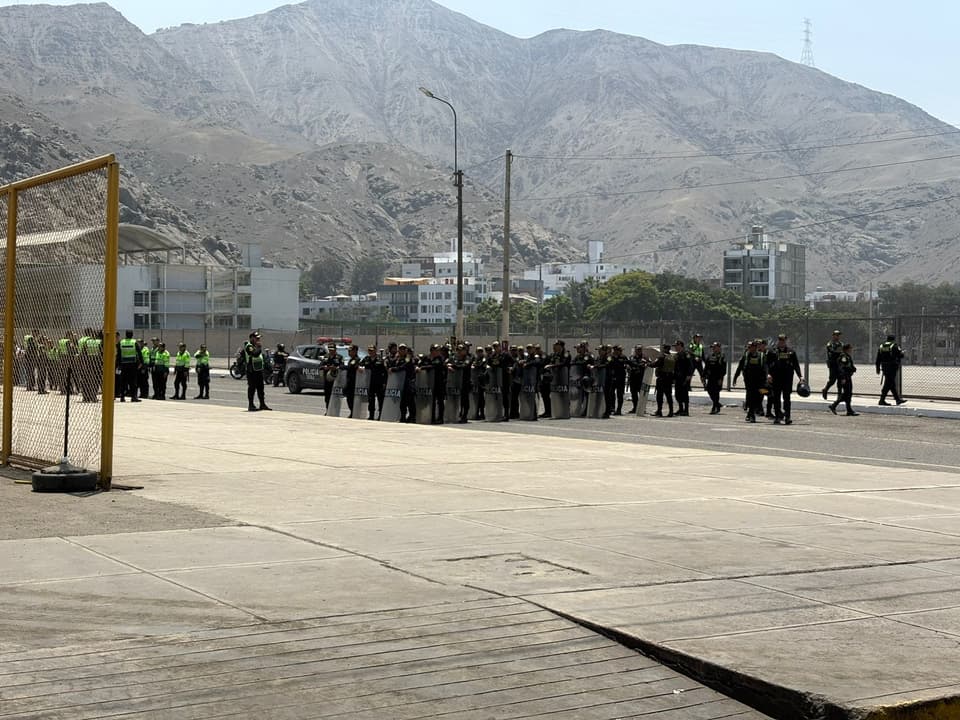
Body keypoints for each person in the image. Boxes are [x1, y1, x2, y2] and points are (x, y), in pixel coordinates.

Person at [766, 333, 803, 425]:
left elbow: (796, 365)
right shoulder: (772, 352)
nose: (782, 342)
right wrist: (768, 374)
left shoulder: (791, 352)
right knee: (776, 398)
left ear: (786, 341)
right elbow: (766, 364)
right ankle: (778, 416)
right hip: (776, 378)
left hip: (787, 378)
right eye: (780, 340)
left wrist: (800, 376)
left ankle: (787, 416)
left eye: (783, 340)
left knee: (787, 398)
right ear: (778, 340)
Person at [733, 339, 765, 422]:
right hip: (749, 381)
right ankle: (751, 414)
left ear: (755, 347)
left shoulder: (761, 356)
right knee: (751, 397)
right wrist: (735, 377)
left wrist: (767, 377)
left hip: (759, 381)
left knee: (759, 396)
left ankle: (751, 413)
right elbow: (740, 367)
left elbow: (765, 367)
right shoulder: (746, 356)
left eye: (751, 347)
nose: (749, 348)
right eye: (749, 347)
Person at [244, 331, 271, 411]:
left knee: (260, 388)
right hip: (252, 370)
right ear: (252, 338)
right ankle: (251, 405)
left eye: (259, 338)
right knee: (252, 387)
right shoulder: (249, 346)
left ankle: (262, 404)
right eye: (257, 338)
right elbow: (255, 354)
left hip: (258, 369)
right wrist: (259, 347)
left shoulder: (256, 345)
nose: (258, 339)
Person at [876, 334, 907, 406]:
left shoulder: (882, 346)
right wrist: (902, 353)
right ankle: (882, 400)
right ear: (893, 339)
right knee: (888, 384)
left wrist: (877, 368)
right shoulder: (894, 346)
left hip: (884, 367)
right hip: (892, 367)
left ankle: (897, 400)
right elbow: (900, 355)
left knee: (891, 383)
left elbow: (878, 358)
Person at [830, 343, 859, 416]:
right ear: (847, 349)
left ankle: (848, 410)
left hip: (847, 377)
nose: (851, 350)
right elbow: (841, 368)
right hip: (844, 377)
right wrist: (843, 378)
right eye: (850, 348)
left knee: (848, 394)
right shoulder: (844, 357)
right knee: (847, 394)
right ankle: (834, 405)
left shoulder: (847, 356)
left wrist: (853, 368)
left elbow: (849, 366)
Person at [362, 345, 388, 420]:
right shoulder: (366, 359)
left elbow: (384, 371)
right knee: (371, 400)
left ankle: (380, 415)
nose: (371, 352)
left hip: (379, 382)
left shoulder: (380, 359)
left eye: (372, 350)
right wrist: (360, 368)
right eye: (369, 350)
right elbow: (360, 365)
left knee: (380, 399)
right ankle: (371, 415)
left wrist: (384, 382)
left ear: (375, 350)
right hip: (370, 382)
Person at [650, 344, 675, 417]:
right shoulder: (671, 357)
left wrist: (648, 364)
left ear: (664, 349)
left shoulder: (662, 356)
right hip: (669, 379)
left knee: (659, 396)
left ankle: (659, 411)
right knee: (668, 395)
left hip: (662, 378)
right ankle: (671, 411)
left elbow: (655, 364)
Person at [116, 330, 141, 403]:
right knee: (133, 382)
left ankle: (122, 397)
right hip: (132, 365)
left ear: (126, 335)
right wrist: (141, 362)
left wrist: (118, 364)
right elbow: (139, 353)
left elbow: (119, 355)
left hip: (124, 364)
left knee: (123, 382)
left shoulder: (121, 342)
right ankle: (133, 397)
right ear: (132, 335)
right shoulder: (134, 342)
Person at [703, 341, 726, 414]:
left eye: (715, 347)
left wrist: (720, 378)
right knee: (709, 390)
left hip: (718, 377)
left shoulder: (722, 357)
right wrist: (703, 375)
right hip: (710, 377)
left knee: (716, 392)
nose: (713, 349)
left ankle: (714, 407)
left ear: (719, 348)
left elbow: (723, 369)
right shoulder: (710, 356)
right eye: (712, 347)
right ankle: (717, 404)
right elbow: (706, 367)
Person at [672, 339, 694, 416]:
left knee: (684, 394)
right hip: (678, 377)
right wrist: (674, 378)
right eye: (675, 346)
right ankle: (681, 409)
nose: (675, 348)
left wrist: (689, 375)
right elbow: (675, 367)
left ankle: (686, 410)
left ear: (681, 346)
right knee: (677, 394)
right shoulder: (676, 355)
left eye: (677, 346)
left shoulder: (686, 354)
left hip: (685, 377)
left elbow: (690, 366)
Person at [821, 330, 843, 400]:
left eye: (839, 335)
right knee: (832, 380)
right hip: (833, 364)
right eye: (836, 335)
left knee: (840, 380)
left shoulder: (841, 344)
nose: (838, 336)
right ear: (833, 336)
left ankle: (839, 395)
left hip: (840, 364)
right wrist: (839, 351)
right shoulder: (830, 344)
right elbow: (832, 352)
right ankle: (825, 390)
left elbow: (842, 352)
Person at [627, 345, 648, 414]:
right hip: (633, 378)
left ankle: (642, 408)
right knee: (634, 394)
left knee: (642, 394)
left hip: (641, 378)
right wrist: (629, 369)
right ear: (635, 350)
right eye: (637, 350)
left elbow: (649, 365)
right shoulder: (631, 357)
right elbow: (628, 366)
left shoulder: (645, 357)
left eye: (639, 350)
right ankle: (635, 407)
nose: (638, 351)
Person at [343, 344, 361, 418]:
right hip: (349, 382)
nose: (349, 352)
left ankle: (354, 412)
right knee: (349, 398)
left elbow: (351, 367)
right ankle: (352, 412)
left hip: (354, 382)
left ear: (355, 351)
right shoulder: (351, 360)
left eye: (351, 351)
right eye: (349, 351)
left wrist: (342, 366)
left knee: (352, 399)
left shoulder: (357, 360)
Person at [609, 345, 627, 415]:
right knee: (611, 394)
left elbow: (628, 363)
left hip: (621, 379)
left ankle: (619, 409)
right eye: (618, 350)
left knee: (620, 395)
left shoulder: (623, 357)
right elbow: (608, 363)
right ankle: (612, 408)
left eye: (620, 350)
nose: (620, 351)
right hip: (613, 378)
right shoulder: (610, 357)